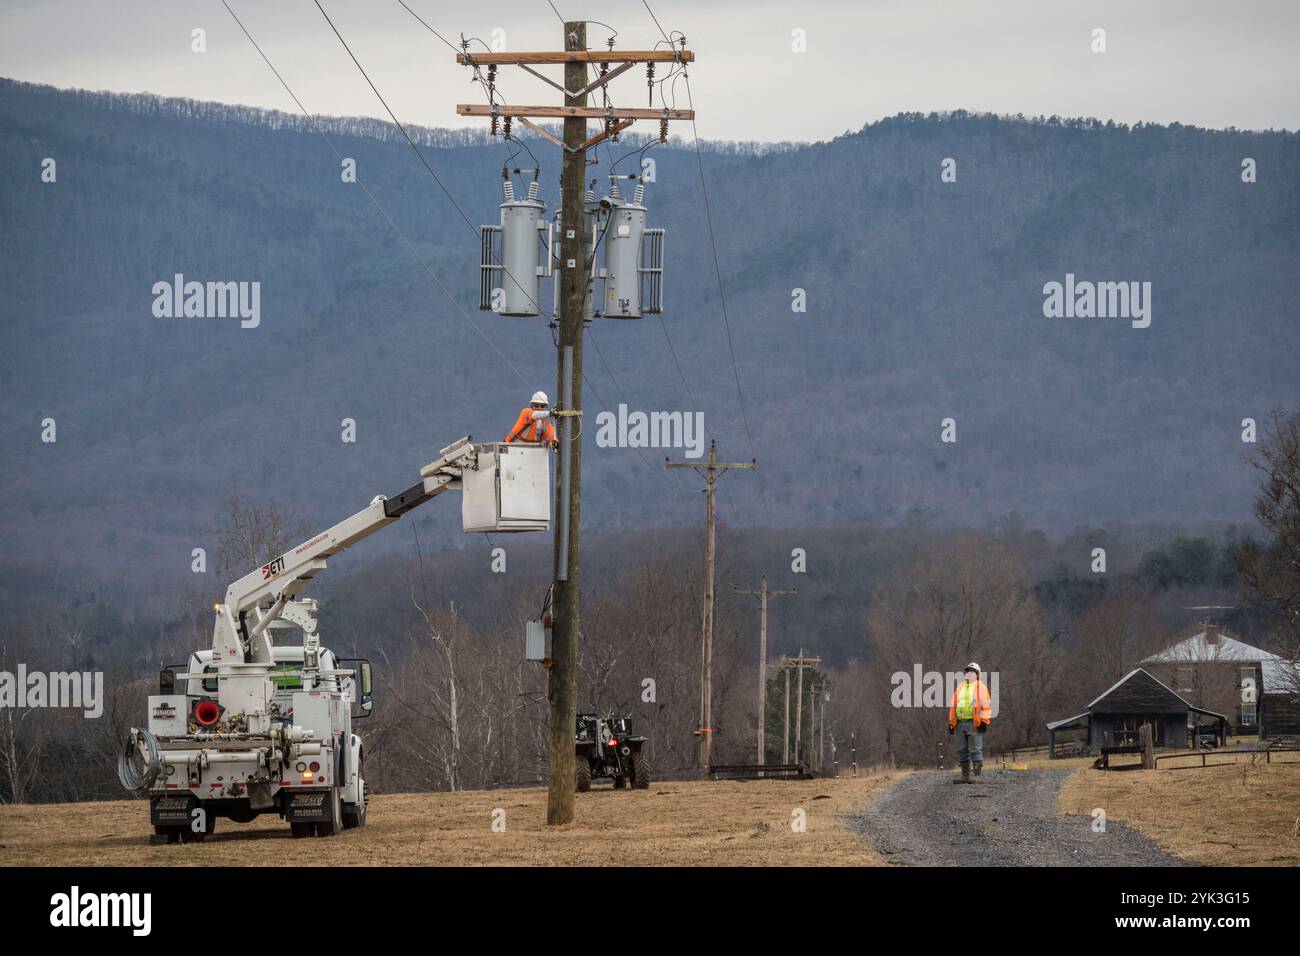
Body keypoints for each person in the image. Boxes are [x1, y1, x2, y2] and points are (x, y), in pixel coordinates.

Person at [948, 662, 991, 784]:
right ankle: (965, 777)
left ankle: (977, 777)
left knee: (975, 749)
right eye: (968, 672)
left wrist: (984, 722)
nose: (969, 674)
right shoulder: (960, 687)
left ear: (977, 675)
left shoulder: (981, 687)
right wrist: (951, 723)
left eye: (972, 672)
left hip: (974, 723)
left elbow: (986, 707)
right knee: (962, 750)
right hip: (960, 723)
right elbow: (953, 706)